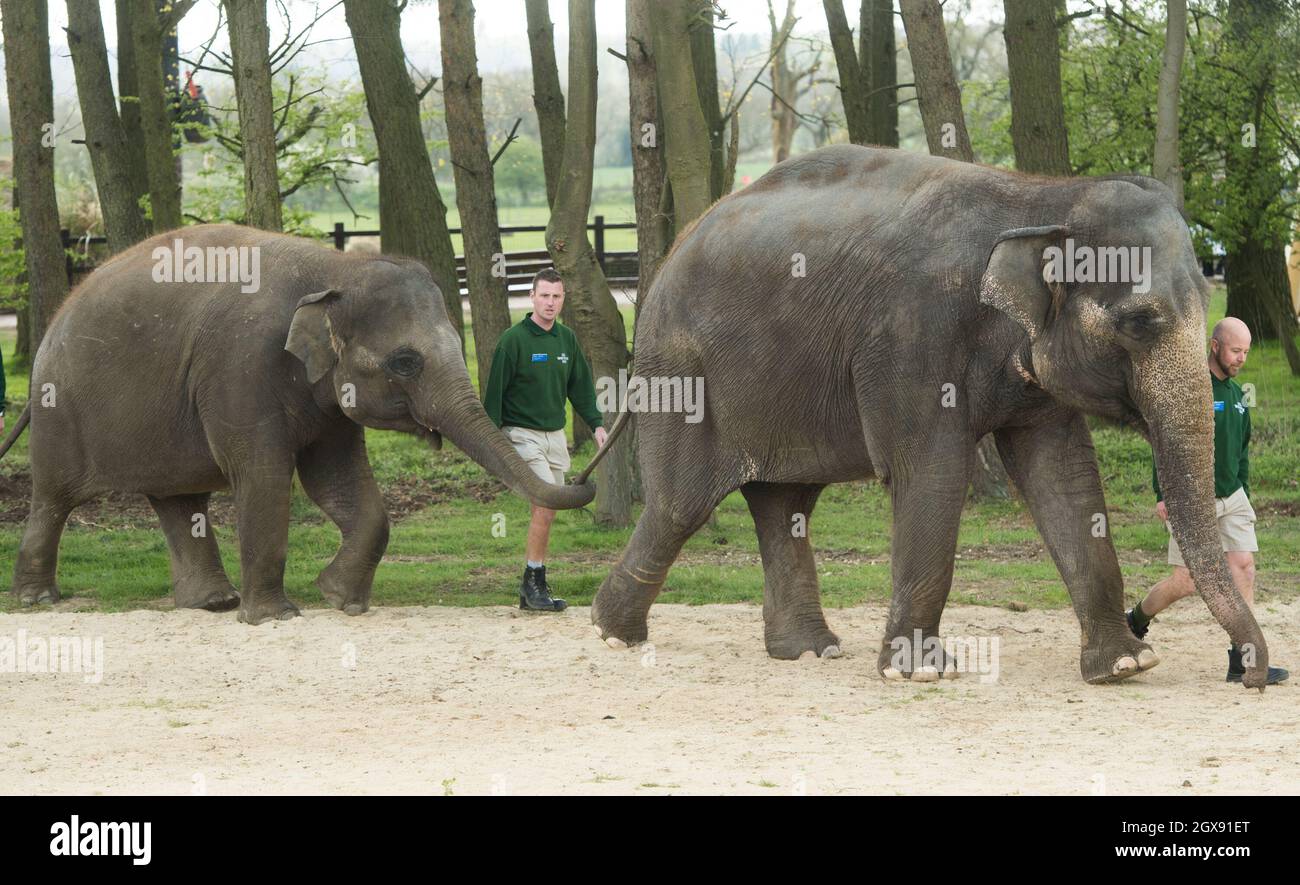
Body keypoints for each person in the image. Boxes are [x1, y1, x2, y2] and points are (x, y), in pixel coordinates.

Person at [1126, 317, 1288, 684]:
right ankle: (1135, 620)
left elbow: (1242, 449)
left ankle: (1243, 660)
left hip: (1233, 498)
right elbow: (1162, 442)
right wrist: (1162, 494)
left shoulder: (1238, 394)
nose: (1241, 359)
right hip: (1190, 499)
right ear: (1215, 346)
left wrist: (1242, 491)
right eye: (1235, 351)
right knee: (1185, 581)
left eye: (1246, 352)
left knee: (1243, 567)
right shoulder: (1189, 388)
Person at [483, 268, 606, 612]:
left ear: (562, 299)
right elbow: (494, 396)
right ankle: (533, 582)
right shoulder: (513, 341)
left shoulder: (566, 340)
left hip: (555, 436)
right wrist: (490, 443)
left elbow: (579, 387)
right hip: (522, 434)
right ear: (532, 297)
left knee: (549, 511)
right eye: (545, 296)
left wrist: (596, 423)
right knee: (546, 503)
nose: (551, 303)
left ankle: (532, 586)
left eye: (557, 297)